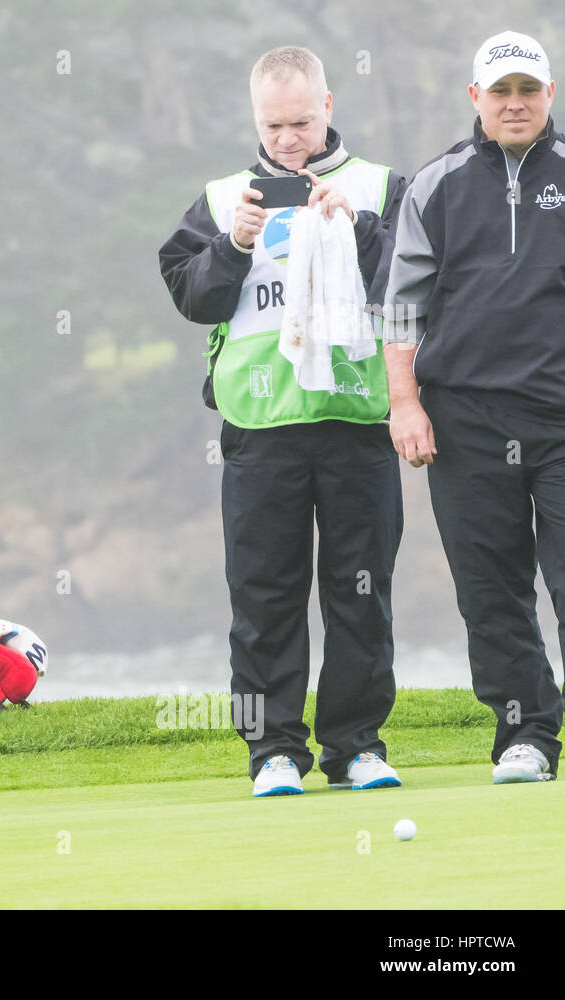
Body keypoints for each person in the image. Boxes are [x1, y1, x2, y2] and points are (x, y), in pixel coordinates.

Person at [159, 46, 408, 797]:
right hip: (260, 424)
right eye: (274, 125)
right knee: (263, 594)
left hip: (357, 419)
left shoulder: (381, 186)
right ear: (255, 118)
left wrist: (358, 225)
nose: (289, 139)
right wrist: (233, 244)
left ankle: (356, 744)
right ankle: (272, 751)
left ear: (328, 106)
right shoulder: (219, 198)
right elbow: (191, 296)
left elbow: (413, 283)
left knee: (359, 590)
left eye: (302, 121)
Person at [383, 31, 565, 785]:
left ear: (549, 95)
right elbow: (400, 309)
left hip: (560, 419)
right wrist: (405, 403)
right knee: (490, 587)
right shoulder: (438, 184)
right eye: (502, 92)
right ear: (475, 99)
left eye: (529, 90)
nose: (515, 103)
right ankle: (525, 733)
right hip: (463, 423)